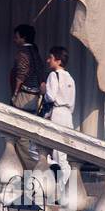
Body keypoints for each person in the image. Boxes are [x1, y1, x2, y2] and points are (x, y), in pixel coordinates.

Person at [43, 45, 76, 184]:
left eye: (50, 58)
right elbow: (72, 102)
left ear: (58, 60)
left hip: (57, 113)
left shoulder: (53, 75)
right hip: (67, 115)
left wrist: (43, 90)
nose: (48, 60)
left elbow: (50, 97)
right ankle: (63, 185)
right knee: (62, 154)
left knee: (54, 153)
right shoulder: (70, 78)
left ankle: (61, 187)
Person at [9, 24, 45, 113]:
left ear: (23, 38)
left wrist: (15, 94)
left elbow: (20, 76)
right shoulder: (35, 52)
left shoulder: (23, 53)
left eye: (16, 37)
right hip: (35, 96)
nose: (14, 40)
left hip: (24, 95)